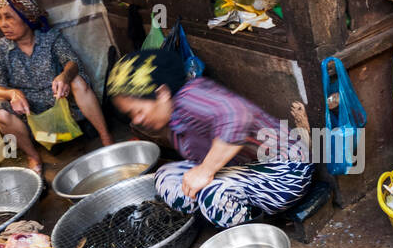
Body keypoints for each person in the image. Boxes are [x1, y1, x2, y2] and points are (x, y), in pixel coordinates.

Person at [106, 46, 314, 228]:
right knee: (165, 177)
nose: (137, 120)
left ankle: (255, 229)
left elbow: (238, 115)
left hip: (285, 170)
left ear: (162, 94)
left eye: (138, 110)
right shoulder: (174, 118)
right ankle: (225, 214)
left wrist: (205, 171)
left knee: (212, 194)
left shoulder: (191, 97)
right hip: (247, 171)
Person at [0, 0, 113, 173]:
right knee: (0, 113)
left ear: (27, 18)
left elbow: (72, 62)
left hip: (61, 102)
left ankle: (106, 138)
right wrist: (11, 93)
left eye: (9, 17)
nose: (3, 24)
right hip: (29, 112)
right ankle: (34, 157)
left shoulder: (50, 37)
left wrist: (64, 76)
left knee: (77, 80)